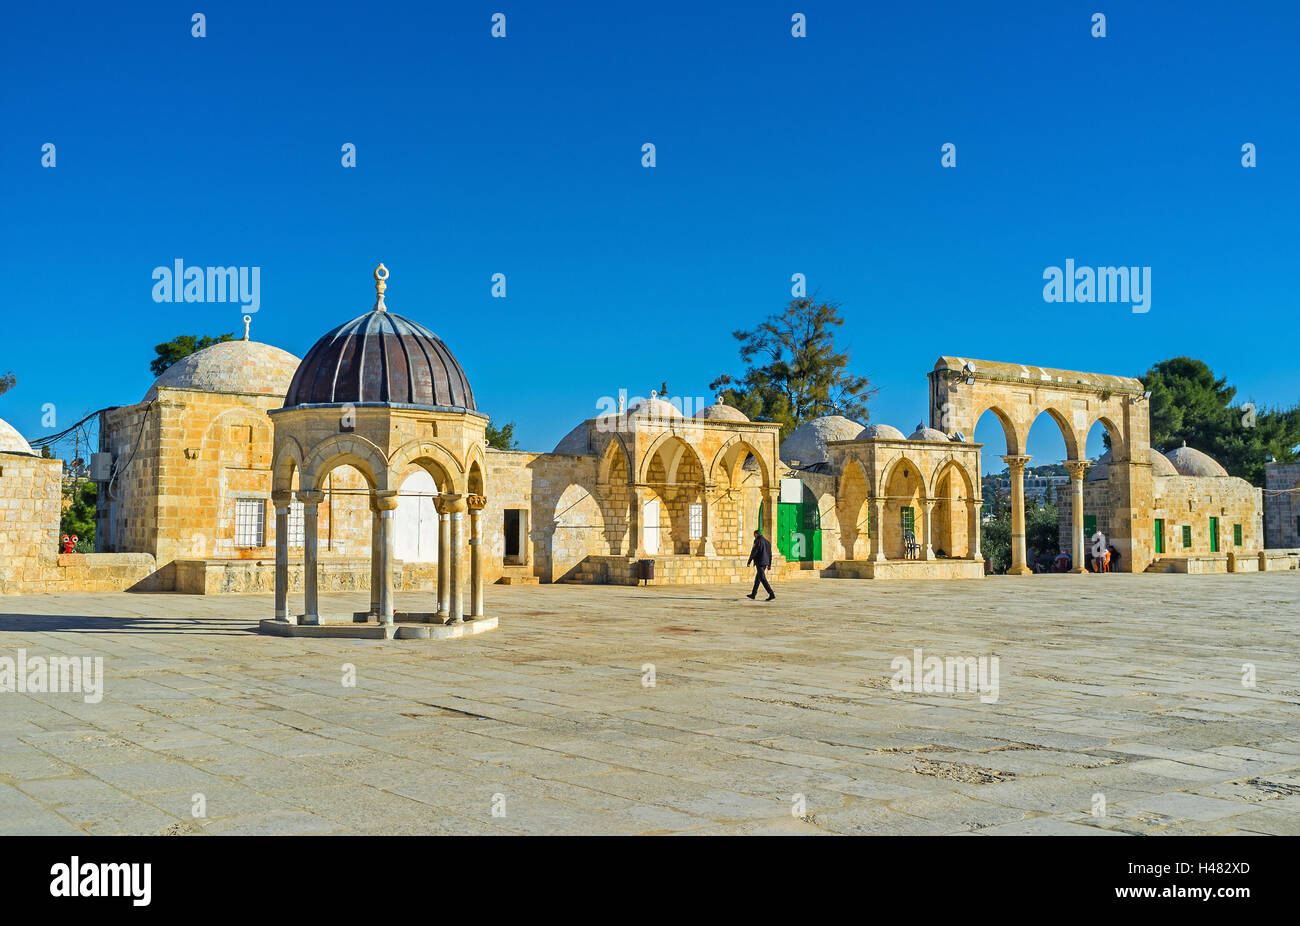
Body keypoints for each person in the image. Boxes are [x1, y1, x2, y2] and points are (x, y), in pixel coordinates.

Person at [745, 529, 775, 600]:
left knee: (762, 578)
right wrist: (769, 564)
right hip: (765, 562)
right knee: (757, 578)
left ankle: (771, 594)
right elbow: (770, 554)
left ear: (756, 534)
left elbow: (754, 551)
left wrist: (749, 561)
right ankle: (753, 594)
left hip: (760, 562)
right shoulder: (767, 542)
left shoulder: (757, 541)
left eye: (754, 535)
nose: (754, 537)